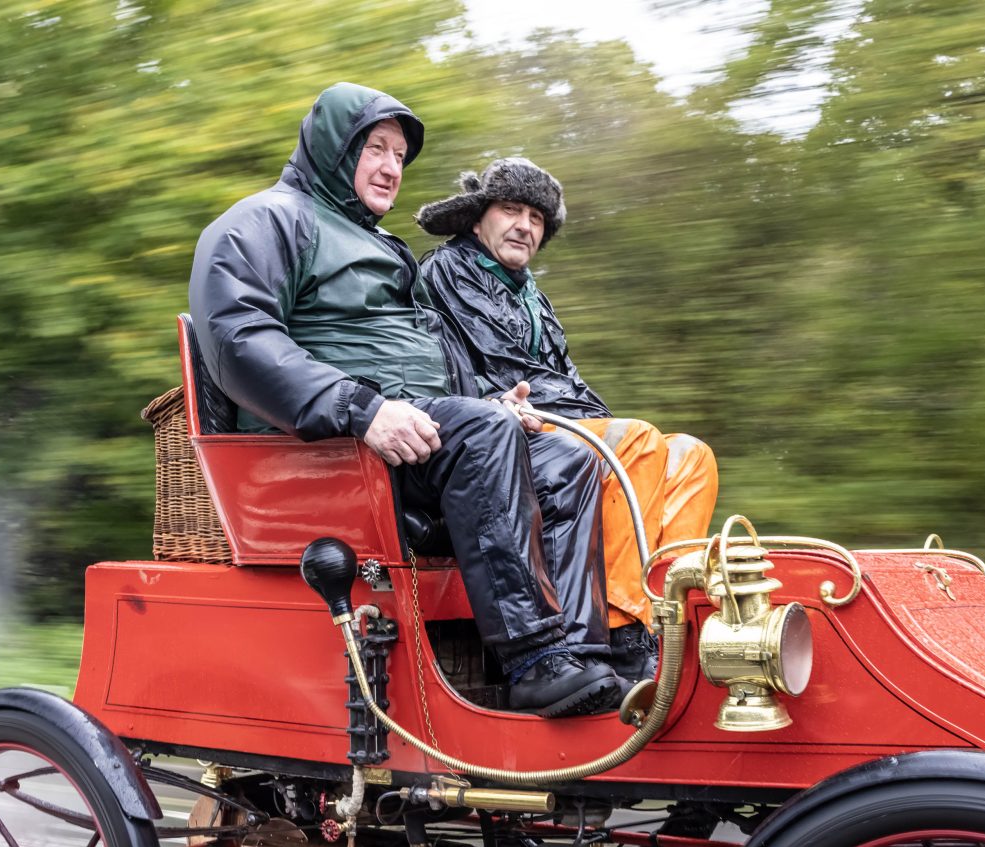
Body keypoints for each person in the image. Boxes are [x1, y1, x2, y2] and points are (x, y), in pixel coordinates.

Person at [187, 84, 622, 718]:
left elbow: (417, 357)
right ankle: (533, 659)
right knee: (483, 436)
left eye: (399, 154)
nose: (392, 166)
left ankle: (588, 661)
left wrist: (495, 400)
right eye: (375, 148)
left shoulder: (380, 245)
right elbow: (236, 336)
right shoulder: (270, 220)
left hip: (409, 438)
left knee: (568, 461)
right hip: (324, 451)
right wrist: (362, 410)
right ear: (334, 151)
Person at [414, 158, 720, 685]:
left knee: (690, 455)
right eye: (510, 210)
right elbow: (504, 369)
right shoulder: (450, 269)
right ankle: (626, 632)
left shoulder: (532, 296)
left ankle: (671, 621)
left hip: (559, 417)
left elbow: (568, 378)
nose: (524, 226)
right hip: (507, 424)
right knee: (639, 441)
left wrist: (599, 419)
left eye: (536, 218)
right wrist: (598, 423)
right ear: (475, 220)